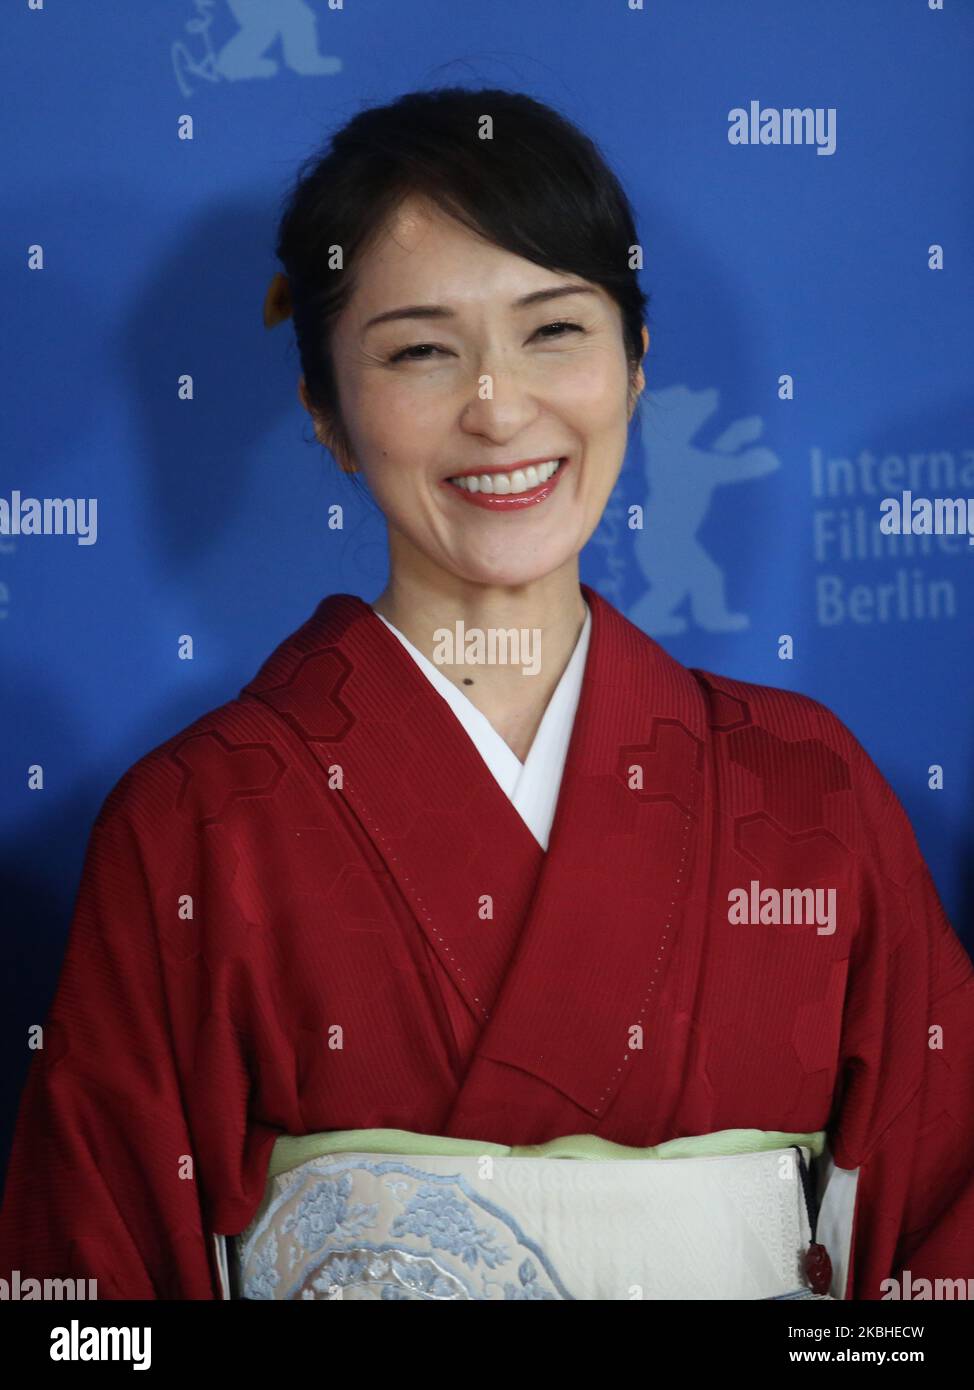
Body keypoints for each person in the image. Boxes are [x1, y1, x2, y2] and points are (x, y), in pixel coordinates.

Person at [1, 88, 971, 1302]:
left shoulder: (806, 787)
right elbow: (88, 1302)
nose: (498, 407)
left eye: (552, 330)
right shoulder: (190, 823)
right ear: (326, 413)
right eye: (419, 349)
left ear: (634, 363)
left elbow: (946, 1234)